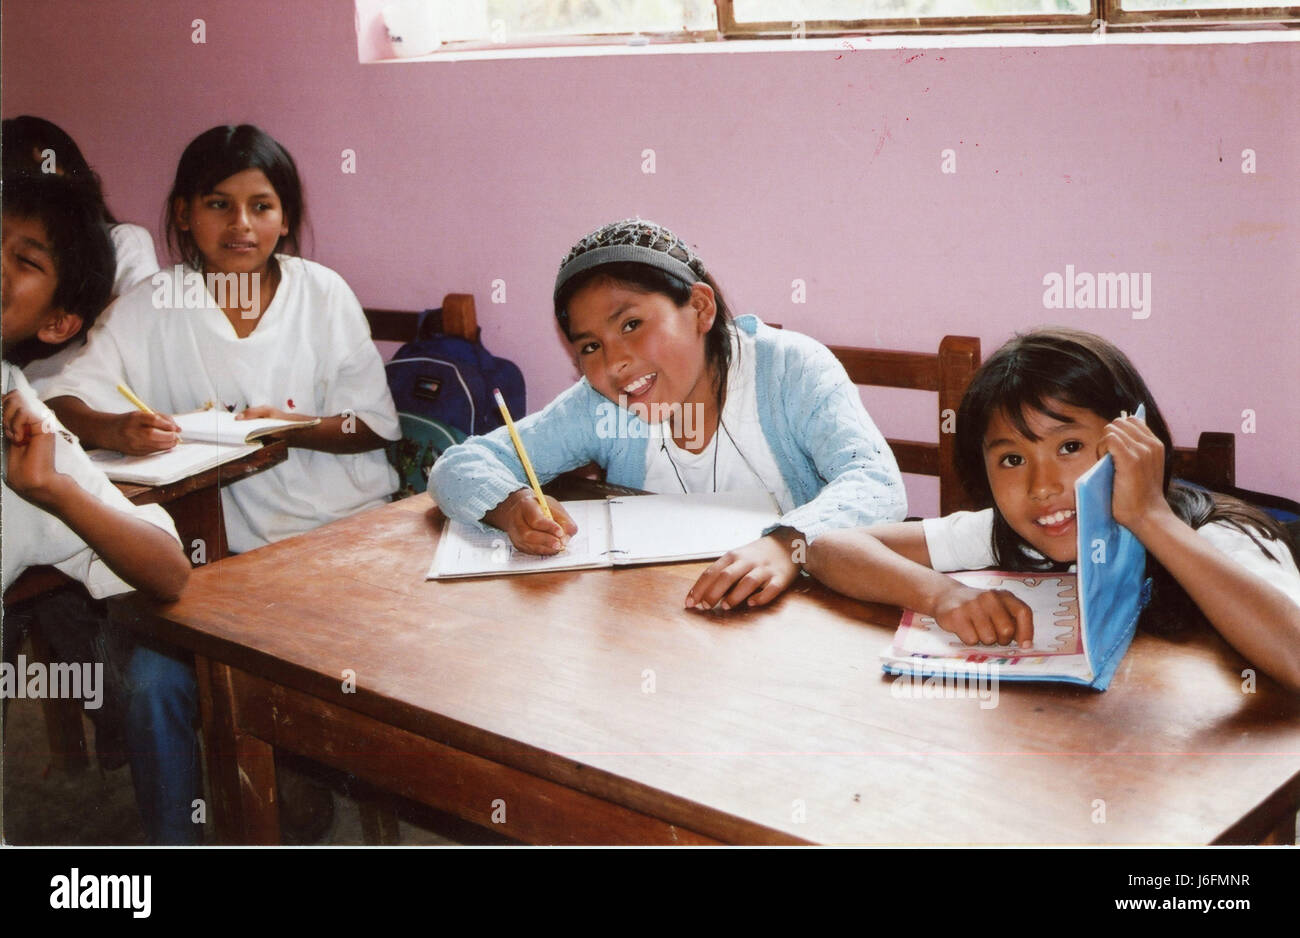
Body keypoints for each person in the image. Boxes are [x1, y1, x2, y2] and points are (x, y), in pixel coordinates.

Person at [429, 217, 906, 610]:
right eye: (590, 346)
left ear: (700, 308)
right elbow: (458, 464)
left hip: (795, 622)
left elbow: (877, 482)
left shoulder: (788, 371)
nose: (614, 363)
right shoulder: (600, 407)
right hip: (661, 626)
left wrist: (788, 543)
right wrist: (510, 507)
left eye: (632, 324)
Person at [806, 327, 1300, 691]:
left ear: (1133, 440)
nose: (1042, 487)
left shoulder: (1218, 535)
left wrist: (1151, 518)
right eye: (1013, 459)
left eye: (1069, 447)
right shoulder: (1010, 533)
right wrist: (940, 595)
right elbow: (829, 548)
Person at [42, 123, 401, 553]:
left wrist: (292, 429)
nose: (240, 224)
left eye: (261, 206)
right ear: (183, 214)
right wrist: (113, 430)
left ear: (285, 217)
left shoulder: (323, 292)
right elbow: (58, 404)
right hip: (232, 549)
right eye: (218, 204)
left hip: (354, 525)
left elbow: (373, 425)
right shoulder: (153, 304)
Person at [2, 172, 193, 842]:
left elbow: (167, 569)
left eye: (23, 260)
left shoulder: (24, 428)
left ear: (56, 323)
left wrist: (55, 491)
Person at [2, 116, 161, 391]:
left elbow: (145, 333)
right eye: (20, 176)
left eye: (47, 172)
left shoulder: (119, 242)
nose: (41, 190)